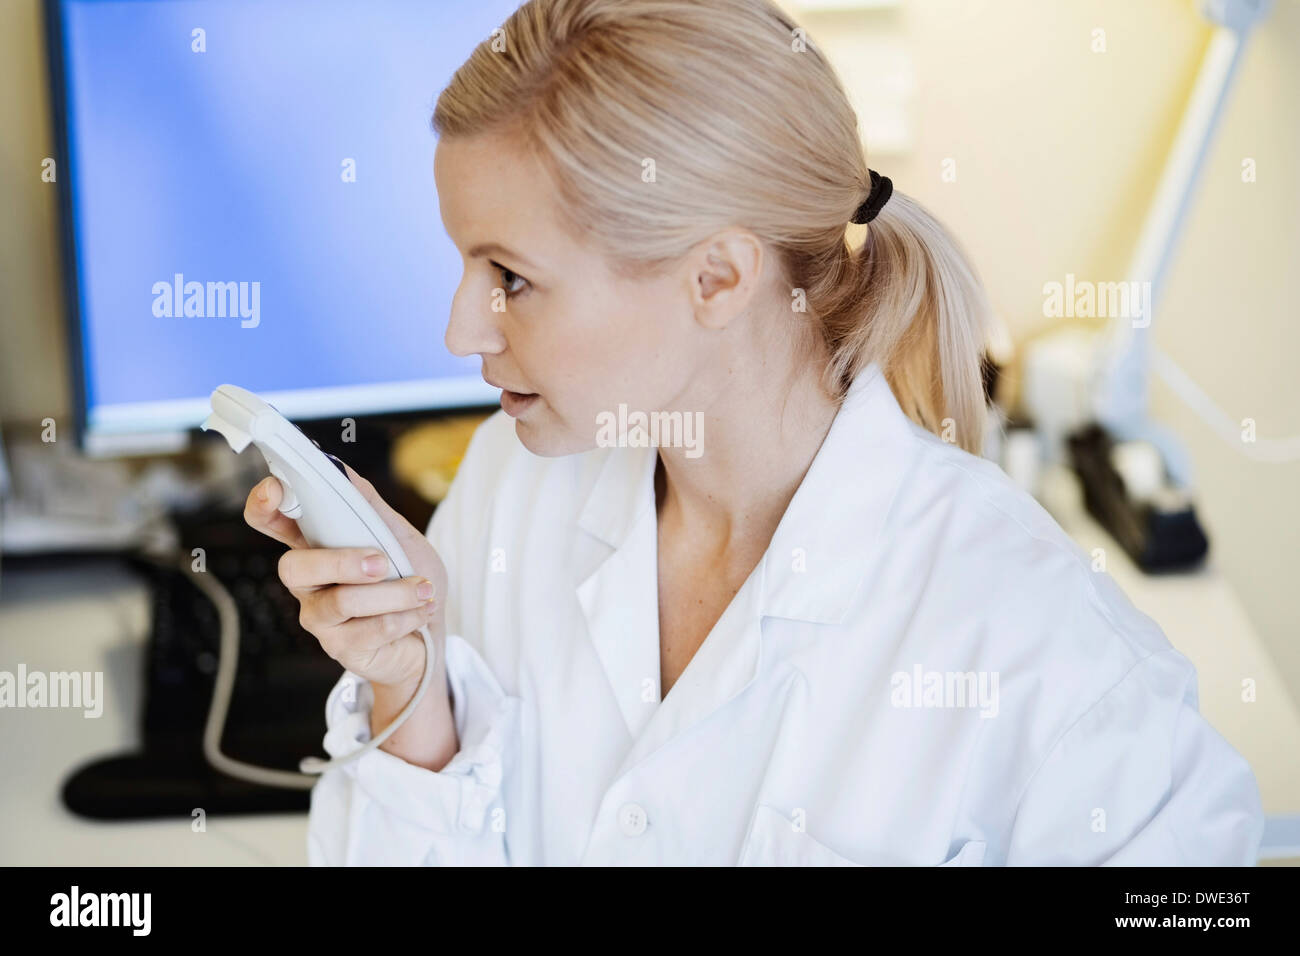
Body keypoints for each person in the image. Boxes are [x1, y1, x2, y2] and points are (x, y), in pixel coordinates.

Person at [245, 0, 1264, 865]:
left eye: (510, 277)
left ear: (719, 278)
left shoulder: (1043, 652)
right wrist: (408, 680)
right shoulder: (512, 489)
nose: (461, 328)